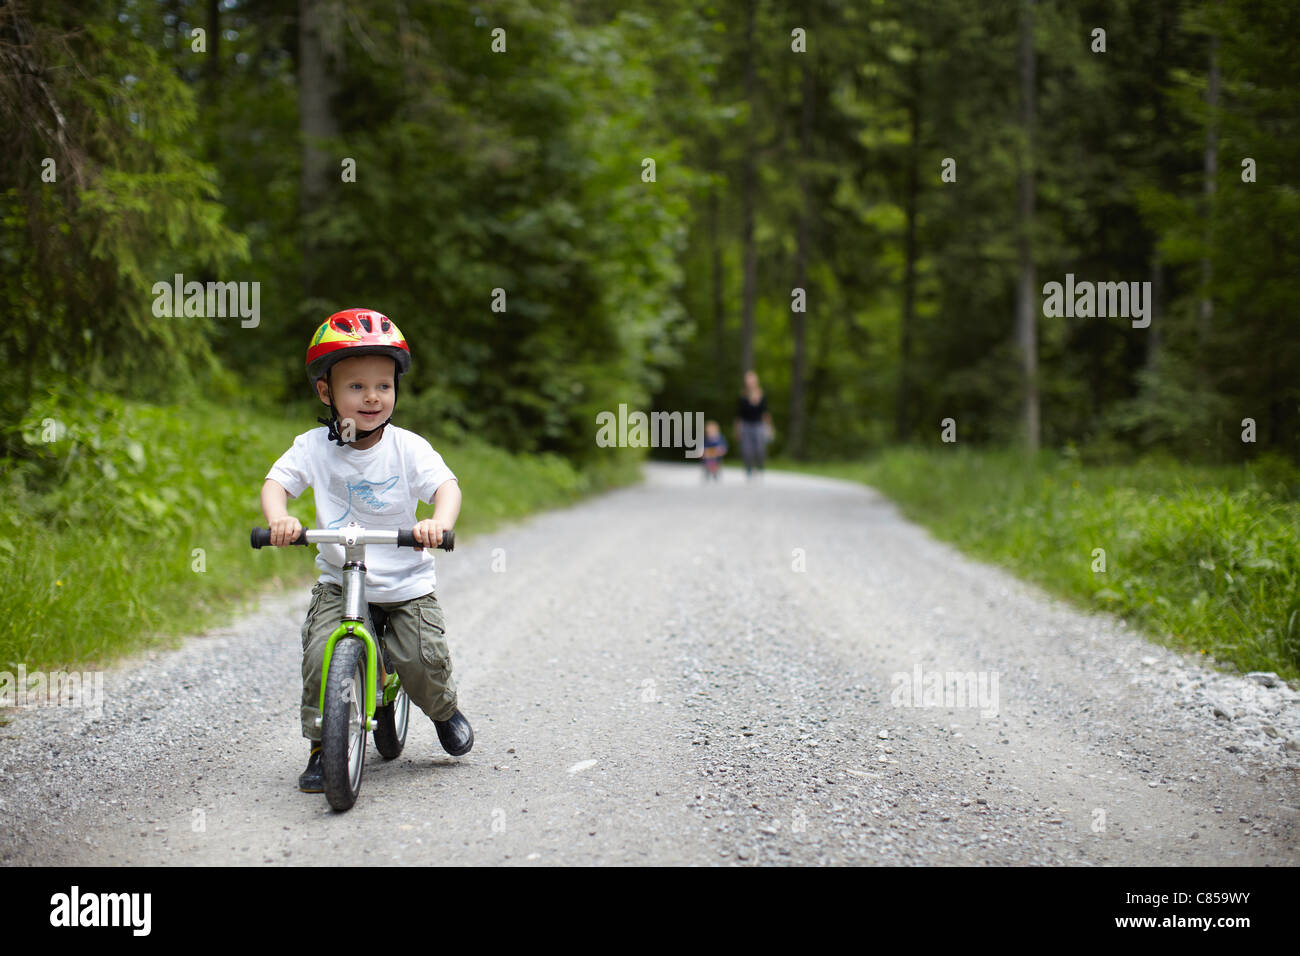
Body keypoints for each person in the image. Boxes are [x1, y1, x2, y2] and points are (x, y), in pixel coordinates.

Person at [260, 308, 473, 794]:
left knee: (422, 659)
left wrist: (437, 523)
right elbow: (277, 483)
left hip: (403, 582)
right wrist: (280, 519)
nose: (372, 397)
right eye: (356, 386)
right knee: (320, 657)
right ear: (326, 392)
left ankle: (443, 712)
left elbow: (446, 487)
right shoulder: (313, 447)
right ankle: (321, 747)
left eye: (383, 385)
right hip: (342, 578)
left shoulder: (407, 448)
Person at [733, 369, 774, 479]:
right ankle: (749, 470)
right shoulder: (742, 397)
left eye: (752, 379)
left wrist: (769, 428)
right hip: (746, 425)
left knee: (760, 449)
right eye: (748, 379)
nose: (750, 381)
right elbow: (739, 415)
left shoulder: (762, 395)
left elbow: (766, 414)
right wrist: (737, 430)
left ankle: (760, 467)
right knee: (747, 450)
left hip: (759, 425)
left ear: (756, 380)